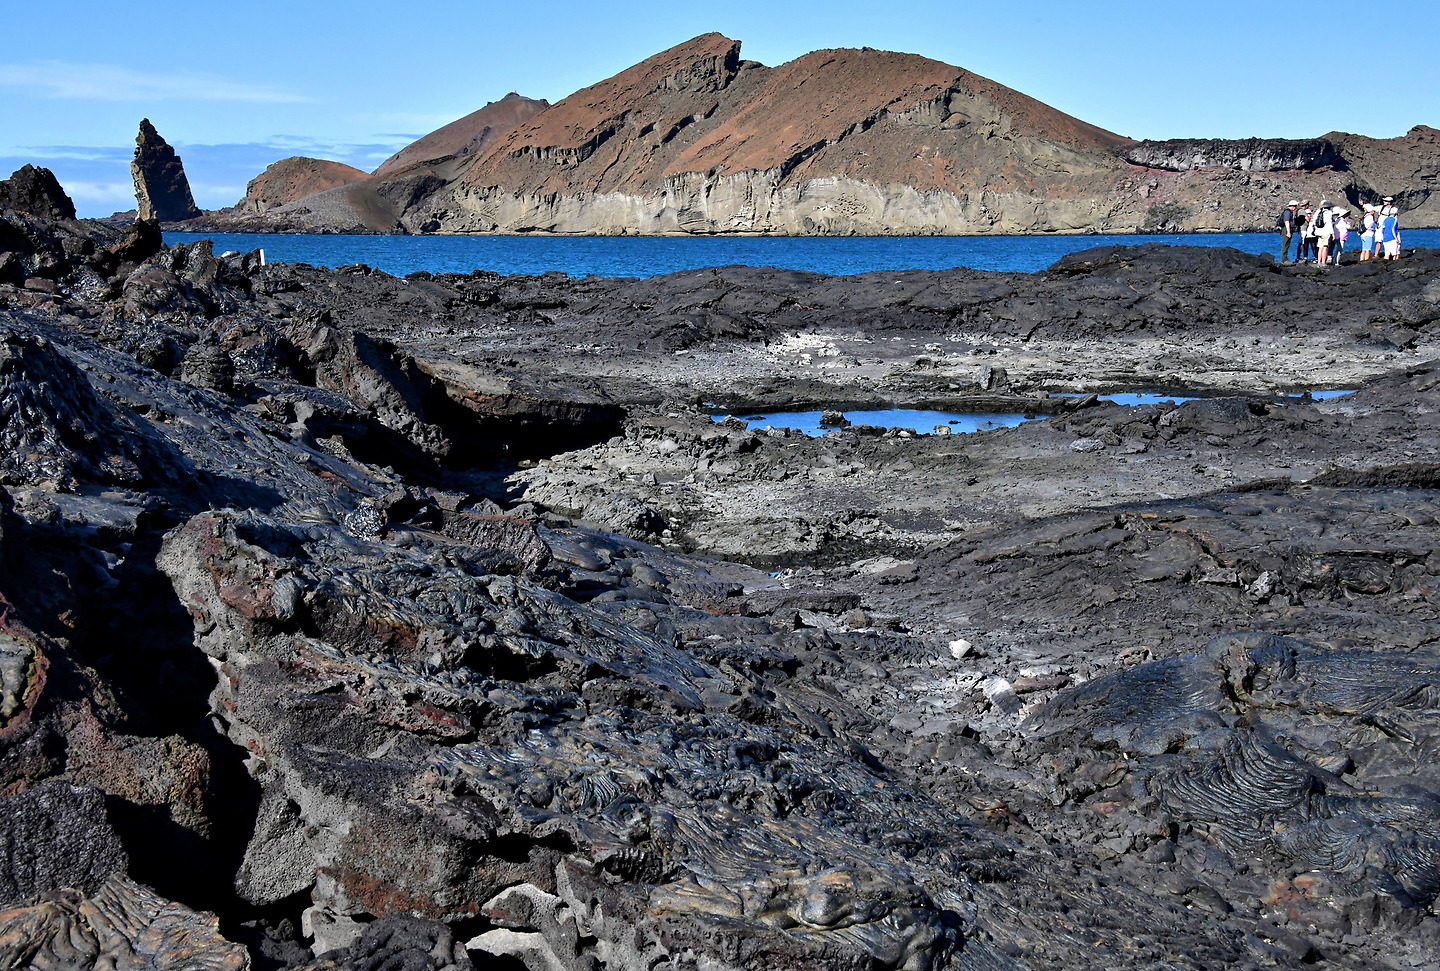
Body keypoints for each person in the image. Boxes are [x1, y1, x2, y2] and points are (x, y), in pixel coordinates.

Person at [1312, 200, 1334, 267]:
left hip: (1319, 232)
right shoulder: (1328, 213)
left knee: (1320, 247)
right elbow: (1329, 224)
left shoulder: (1319, 212)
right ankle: (1323, 262)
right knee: (1325, 247)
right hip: (1326, 232)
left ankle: (1319, 262)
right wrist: (1332, 233)